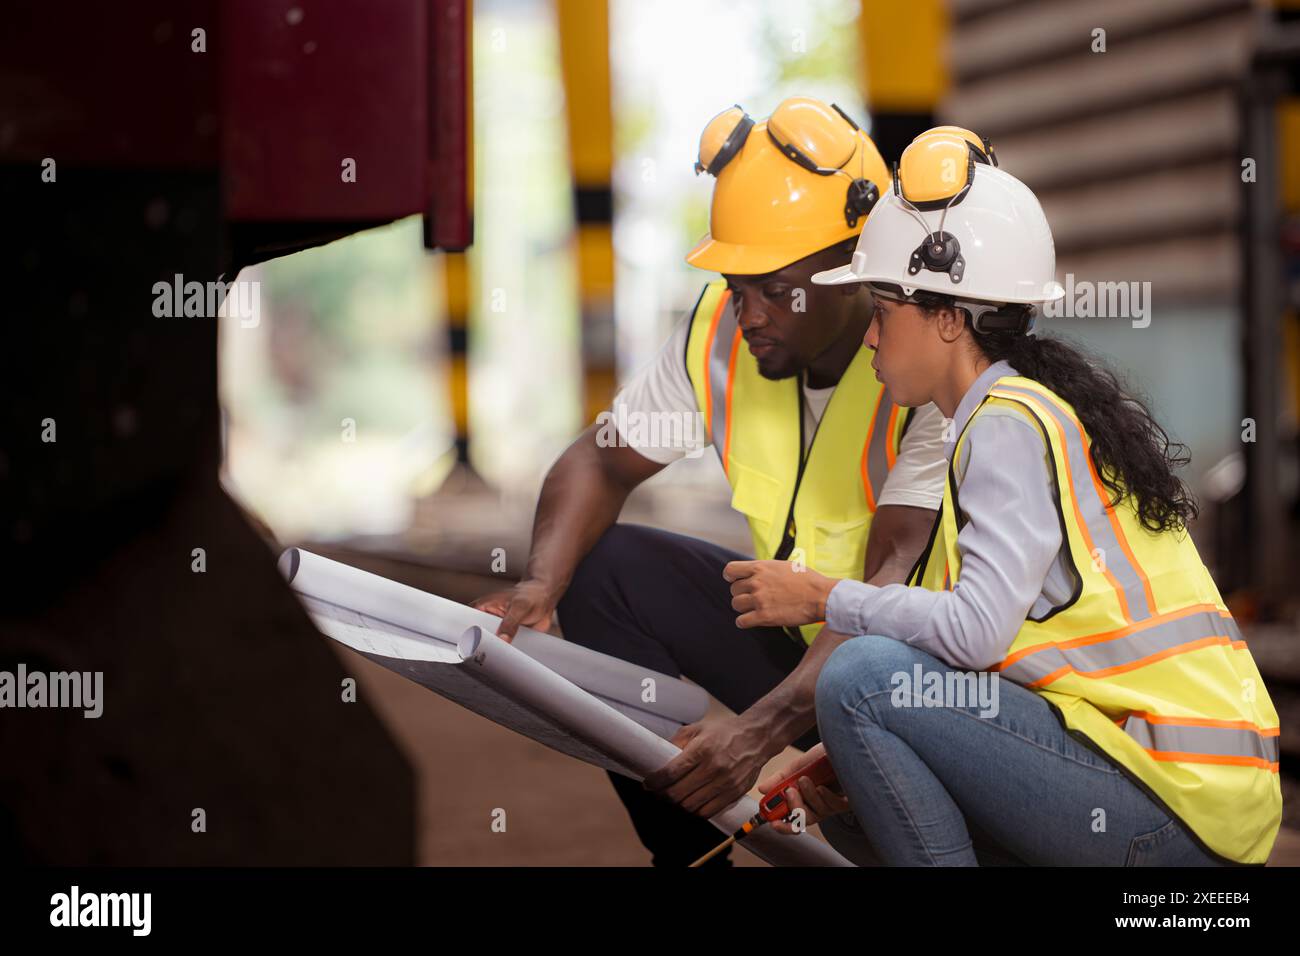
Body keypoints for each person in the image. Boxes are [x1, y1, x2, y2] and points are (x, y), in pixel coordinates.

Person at [726, 136, 1283, 865]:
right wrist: (845, 757)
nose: (869, 337)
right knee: (855, 803)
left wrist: (822, 596)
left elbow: (976, 634)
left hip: (1178, 815)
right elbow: (997, 655)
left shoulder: (1008, 427)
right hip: (1170, 794)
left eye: (884, 312)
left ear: (949, 318)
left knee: (859, 676)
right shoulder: (1015, 414)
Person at [471, 104, 980, 867]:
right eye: (736, 285)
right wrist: (541, 583)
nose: (745, 313)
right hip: (812, 647)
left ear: (851, 270)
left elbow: (888, 580)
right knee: (606, 574)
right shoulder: (719, 334)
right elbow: (600, 460)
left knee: (868, 678)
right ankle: (681, 857)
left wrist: (759, 733)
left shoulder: (937, 363)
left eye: (771, 288)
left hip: (922, 680)